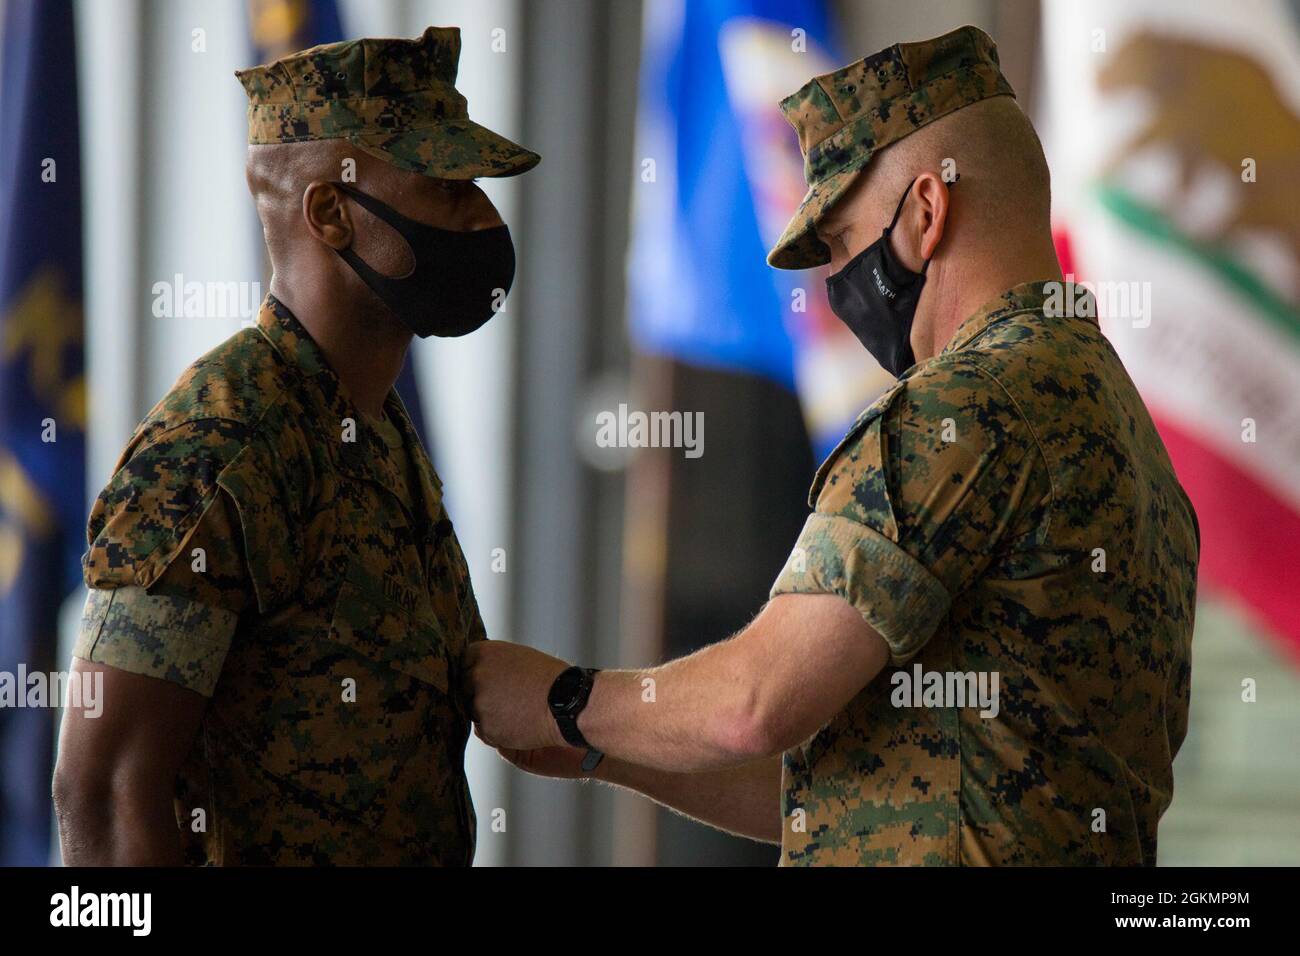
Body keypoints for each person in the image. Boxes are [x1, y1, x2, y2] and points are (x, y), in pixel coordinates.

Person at [466, 25, 1199, 866]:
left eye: (846, 243)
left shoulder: (960, 408)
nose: (832, 285)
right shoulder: (1111, 415)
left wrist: (566, 699)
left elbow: (757, 700)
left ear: (927, 211)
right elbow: (856, 789)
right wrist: (606, 746)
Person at [52, 26, 538, 865]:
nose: (484, 220)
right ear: (331, 213)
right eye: (448, 188)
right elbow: (99, 791)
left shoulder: (373, 426)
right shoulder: (219, 444)